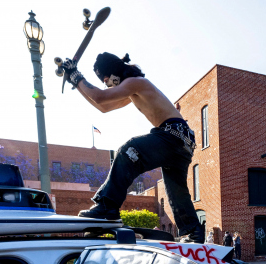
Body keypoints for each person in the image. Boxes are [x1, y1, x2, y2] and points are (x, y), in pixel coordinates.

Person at [60, 52, 203, 243]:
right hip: (182, 142)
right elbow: (103, 106)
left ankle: (107, 207)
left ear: (112, 75)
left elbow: (100, 97)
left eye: (107, 81)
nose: (109, 86)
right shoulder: (134, 88)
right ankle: (193, 231)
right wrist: (77, 83)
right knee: (176, 189)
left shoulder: (135, 82)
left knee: (128, 152)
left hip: (172, 135)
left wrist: (76, 76)